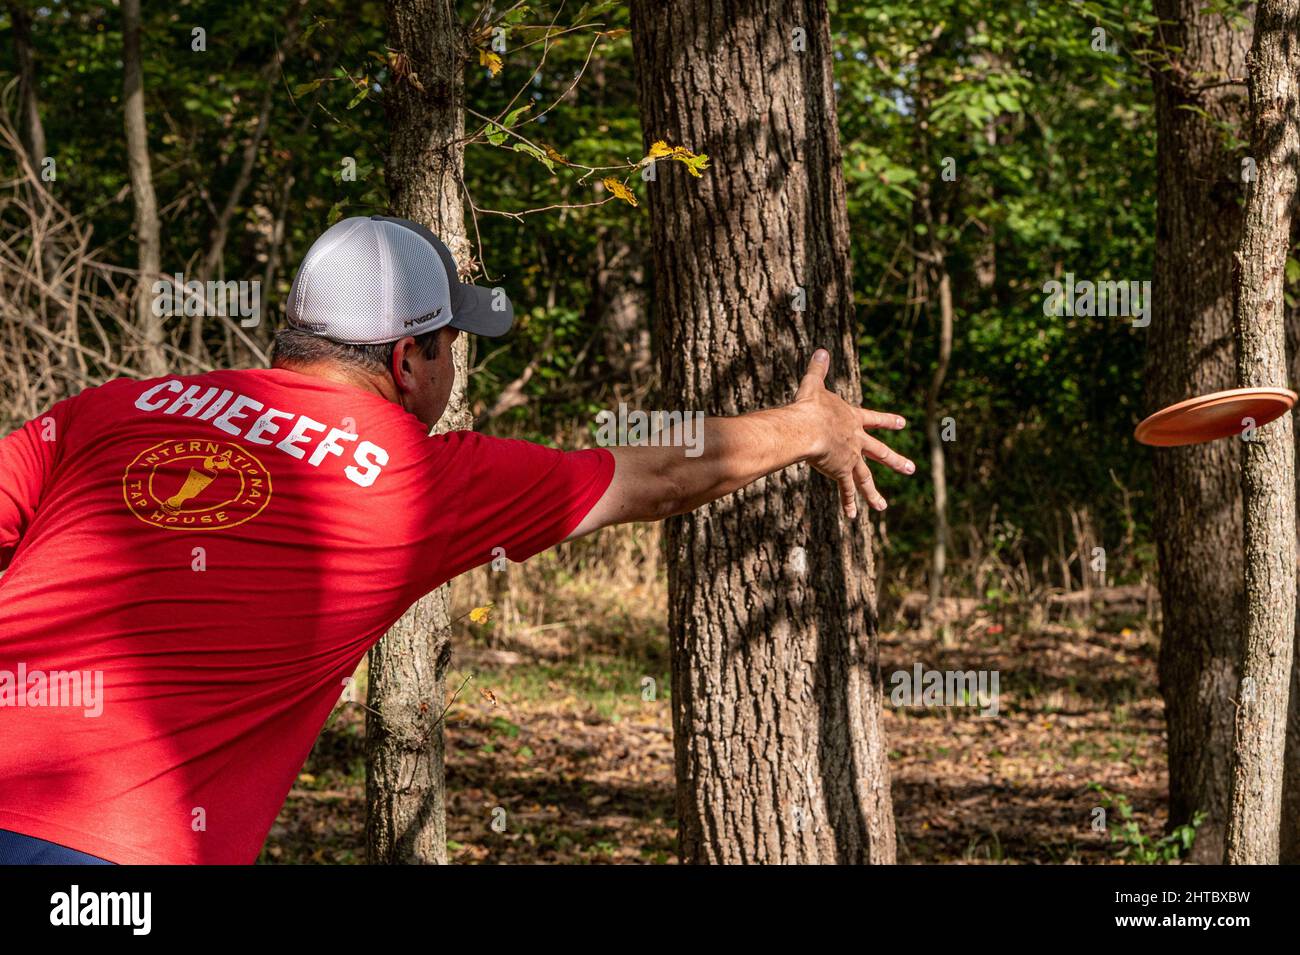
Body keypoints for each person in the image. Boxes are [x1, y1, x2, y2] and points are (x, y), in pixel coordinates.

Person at [0, 215, 914, 864]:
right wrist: (807, 428)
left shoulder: (117, 408)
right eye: (451, 345)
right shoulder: (423, 479)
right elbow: (661, 473)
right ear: (409, 360)